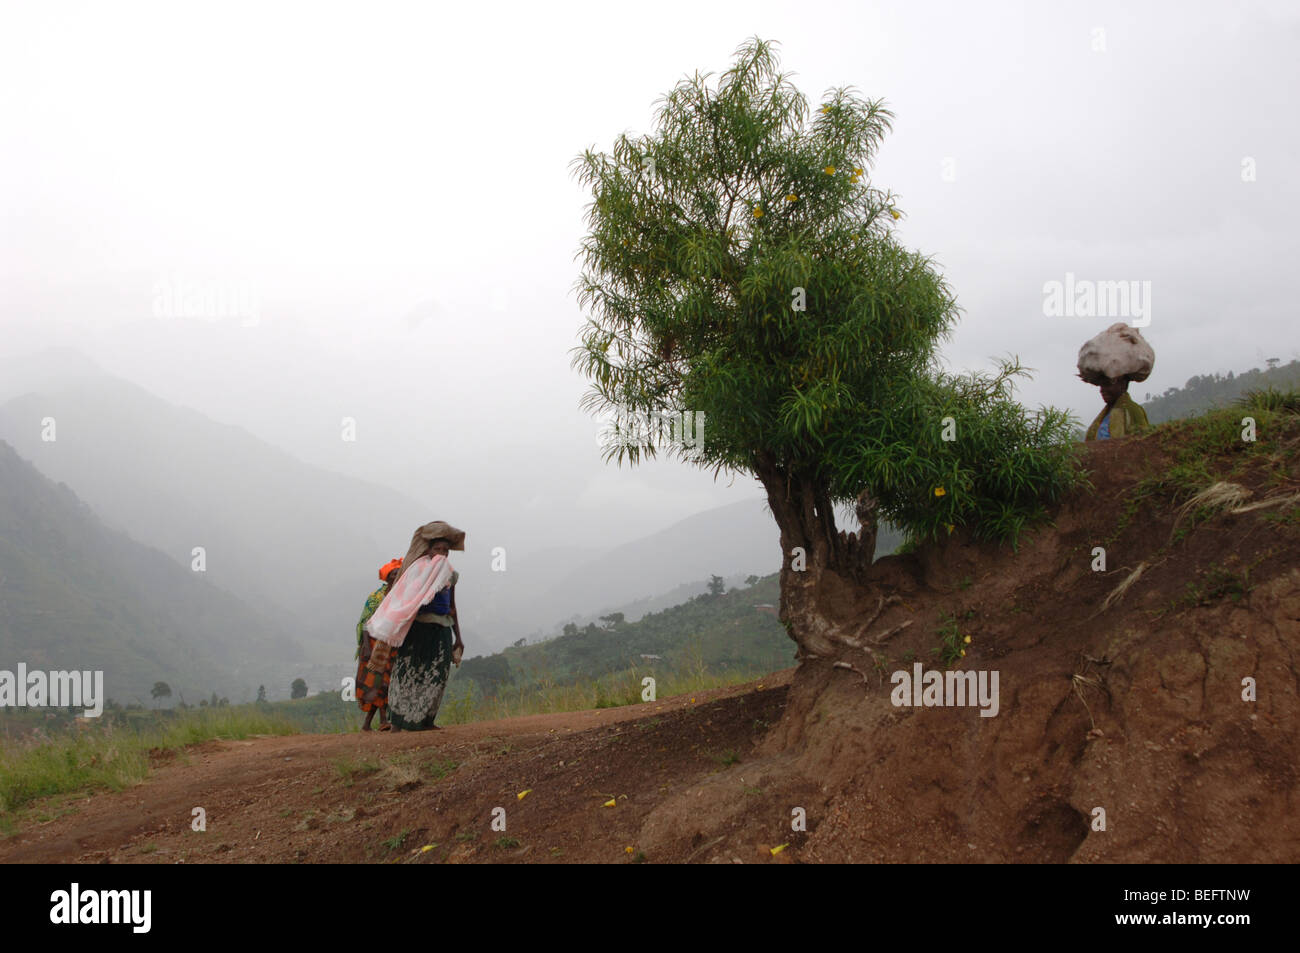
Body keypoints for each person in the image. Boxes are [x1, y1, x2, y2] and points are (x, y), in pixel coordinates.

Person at [387, 522, 465, 731]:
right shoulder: (417, 572)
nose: (441, 553)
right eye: (437, 549)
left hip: (441, 630)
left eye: (445, 550)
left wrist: (458, 637)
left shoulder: (451, 575)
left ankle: (426, 720)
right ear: (428, 550)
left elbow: (452, 606)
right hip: (417, 630)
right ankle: (397, 721)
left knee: (437, 673)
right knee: (406, 672)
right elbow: (406, 601)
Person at [355, 558, 402, 731]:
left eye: (399, 574)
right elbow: (366, 622)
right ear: (388, 577)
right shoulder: (377, 597)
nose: (396, 577)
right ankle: (380, 721)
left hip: (391, 645)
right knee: (376, 683)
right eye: (393, 574)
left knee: (385, 684)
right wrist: (366, 646)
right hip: (374, 644)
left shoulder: (400, 597)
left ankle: (371, 723)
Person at [1085, 376, 1150, 441]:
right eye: (1101, 386)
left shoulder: (1133, 410)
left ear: (1123, 384)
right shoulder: (1104, 415)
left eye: (1107, 384)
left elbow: (1141, 443)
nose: (1101, 390)